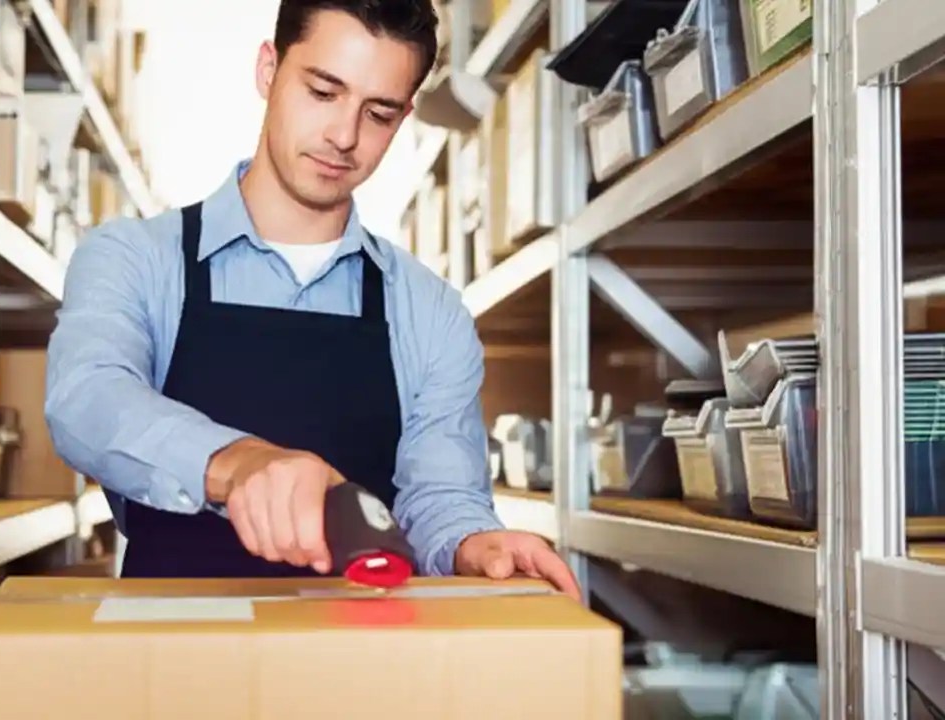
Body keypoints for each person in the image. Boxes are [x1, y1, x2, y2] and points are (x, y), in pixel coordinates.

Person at [45, 0, 581, 599]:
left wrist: (473, 544)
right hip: (171, 663)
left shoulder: (430, 312)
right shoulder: (135, 258)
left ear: (403, 118)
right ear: (269, 69)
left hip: (358, 666)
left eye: (377, 113)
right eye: (324, 91)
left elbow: (442, 497)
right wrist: (240, 463)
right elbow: (87, 401)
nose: (344, 136)